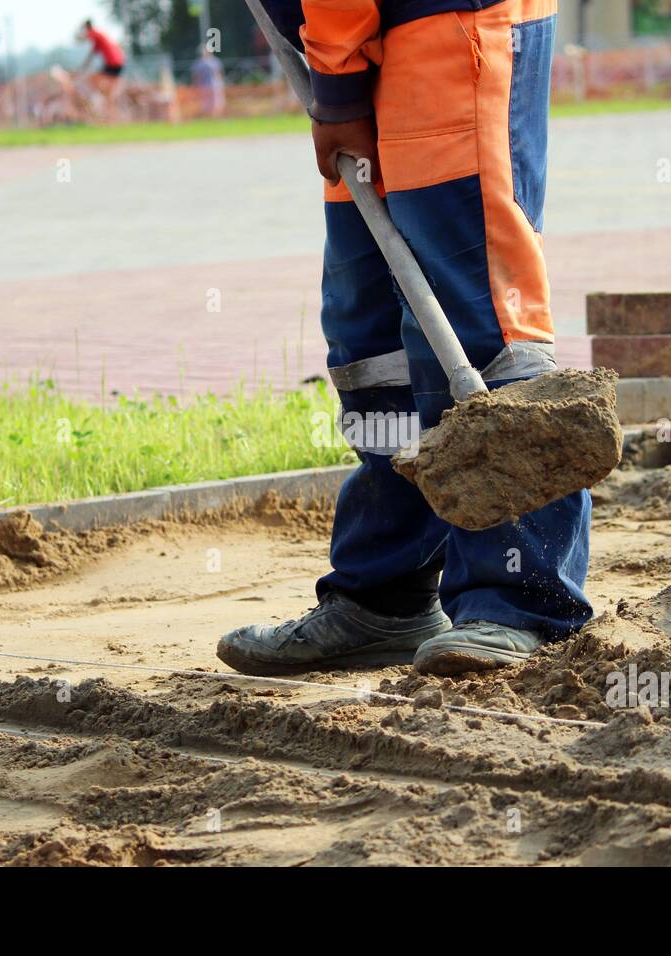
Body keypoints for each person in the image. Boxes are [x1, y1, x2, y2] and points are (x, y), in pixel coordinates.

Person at [217, 0, 592, 677]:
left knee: (473, 321)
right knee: (375, 342)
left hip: (445, 25)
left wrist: (335, 93)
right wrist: (340, 80)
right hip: (356, 46)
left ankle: (523, 602)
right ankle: (386, 597)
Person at [77, 19, 126, 120]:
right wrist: (83, 67)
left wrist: (78, 35)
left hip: (113, 63)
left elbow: (82, 38)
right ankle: (110, 114)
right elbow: (91, 55)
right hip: (118, 62)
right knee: (107, 92)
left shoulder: (94, 32)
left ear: (86, 28)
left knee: (92, 80)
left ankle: (107, 109)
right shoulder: (99, 39)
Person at [191, 47, 226, 118]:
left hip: (211, 85)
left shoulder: (201, 62)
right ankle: (212, 116)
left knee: (212, 102)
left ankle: (213, 116)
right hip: (208, 85)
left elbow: (196, 76)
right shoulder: (211, 62)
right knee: (210, 102)